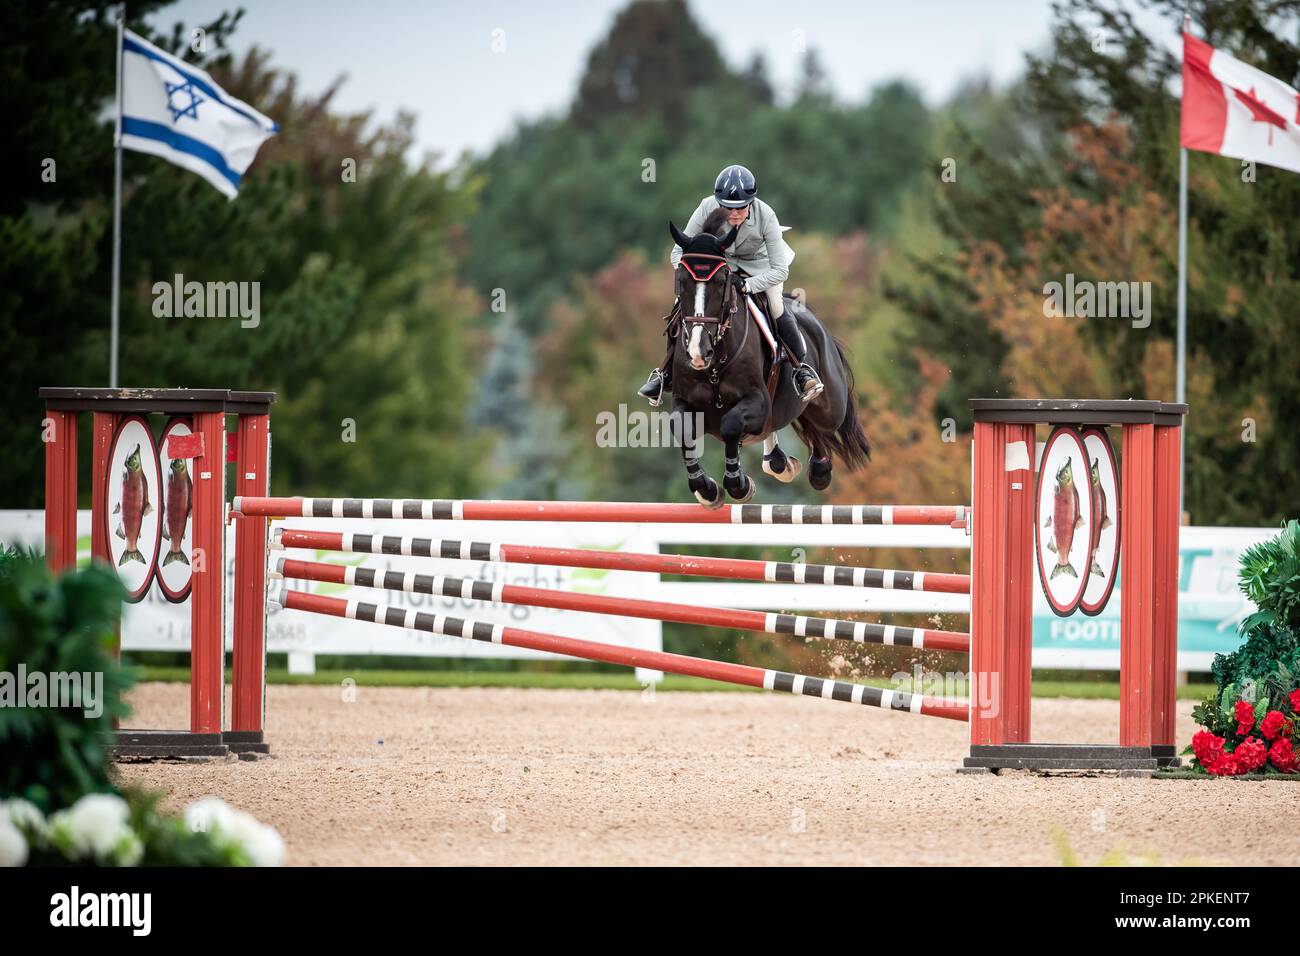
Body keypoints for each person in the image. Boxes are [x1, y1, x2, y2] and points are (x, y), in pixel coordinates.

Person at [639, 164, 824, 405]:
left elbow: (780, 270)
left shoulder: (766, 215)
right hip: (719, 268)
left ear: (752, 202)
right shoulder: (706, 207)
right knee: (681, 303)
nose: (734, 213)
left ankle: (802, 369)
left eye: (741, 207)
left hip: (761, 267)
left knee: (776, 305)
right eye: (728, 208)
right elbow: (678, 253)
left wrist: (747, 285)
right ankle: (665, 373)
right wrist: (694, 274)